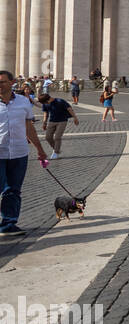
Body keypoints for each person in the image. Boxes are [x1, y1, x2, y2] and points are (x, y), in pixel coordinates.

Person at [0, 71, 48, 236]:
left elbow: (29, 127)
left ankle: (8, 224)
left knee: (13, 190)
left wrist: (40, 150)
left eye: (2, 82)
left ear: (12, 82)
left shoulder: (23, 102)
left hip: (19, 152)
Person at [38, 93, 78, 159]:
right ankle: (56, 149)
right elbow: (46, 112)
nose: (45, 104)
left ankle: (56, 152)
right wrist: (44, 122)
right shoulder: (45, 103)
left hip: (62, 121)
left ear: (48, 100)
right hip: (51, 121)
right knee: (48, 137)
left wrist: (75, 118)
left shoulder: (60, 101)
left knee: (57, 137)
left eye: (45, 102)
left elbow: (69, 109)